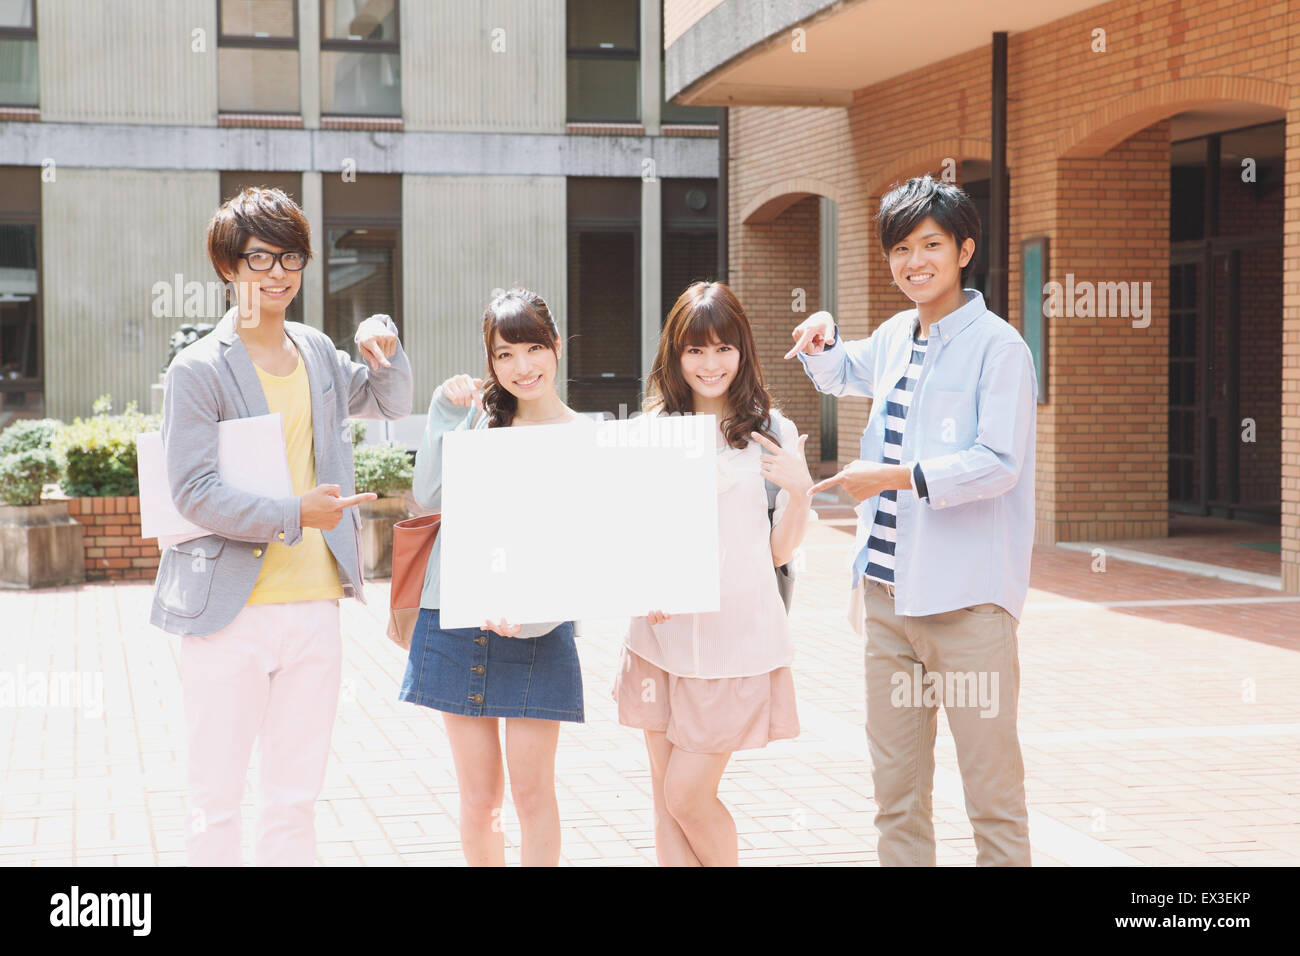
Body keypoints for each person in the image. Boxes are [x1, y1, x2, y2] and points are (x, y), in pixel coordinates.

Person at [152, 185, 413, 866]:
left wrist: (382, 334)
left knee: (294, 796)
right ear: (228, 267)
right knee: (215, 802)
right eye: (260, 258)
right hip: (226, 613)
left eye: (290, 257)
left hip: (314, 606)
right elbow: (192, 490)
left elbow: (389, 399)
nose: (278, 274)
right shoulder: (199, 369)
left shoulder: (317, 350)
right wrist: (294, 514)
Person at [786, 174, 1037, 866]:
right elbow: (843, 372)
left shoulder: (1000, 348)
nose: (913, 262)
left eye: (930, 244)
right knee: (896, 798)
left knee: (992, 800)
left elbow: (998, 463)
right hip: (887, 604)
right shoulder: (900, 334)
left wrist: (895, 479)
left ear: (964, 249)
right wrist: (824, 335)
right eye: (900, 248)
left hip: (968, 611)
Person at [613, 280, 813, 867]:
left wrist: (799, 495)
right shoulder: (654, 429)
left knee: (688, 794)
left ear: (742, 351)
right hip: (659, 638)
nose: (710, 363)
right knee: (664, 800)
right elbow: (630, 533)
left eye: (723, 348)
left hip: (735, 642)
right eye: (695, 350)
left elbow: (777, 552)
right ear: (676, 355)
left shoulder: (769, 430)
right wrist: (641, 575)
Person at [399, 288, 587, 867]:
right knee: (481, 801)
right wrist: (444, 414)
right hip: (458, 621)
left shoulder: (585, 436)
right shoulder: (477, 421)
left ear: (556, 348)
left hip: (538, 633)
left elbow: (585, 553)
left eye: (533, 348)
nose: (521, 367)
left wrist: (531, 610)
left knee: (533, 796)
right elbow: (428, 499)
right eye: (504, 355)